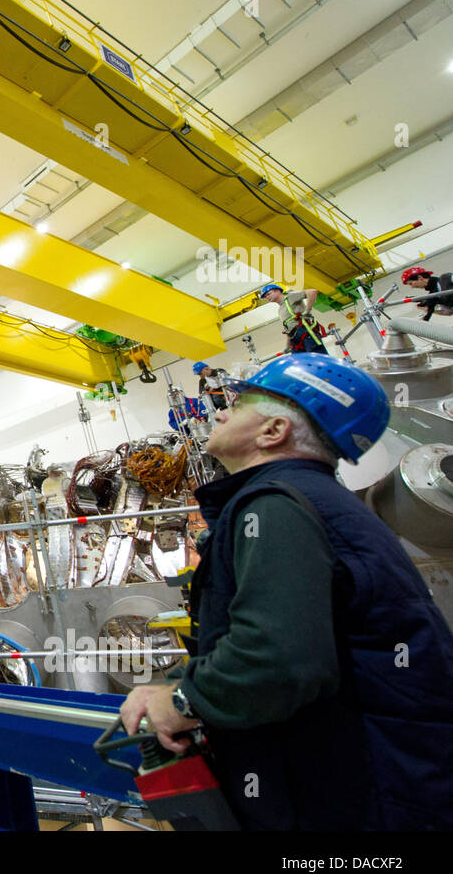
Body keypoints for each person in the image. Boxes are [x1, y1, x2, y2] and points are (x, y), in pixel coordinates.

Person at [120, 353, 453, 830]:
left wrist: (179, 703)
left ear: (273, 431)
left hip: (355, 802)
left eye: (236, 405)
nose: (218, 412)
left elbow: (277, 659)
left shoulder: (276, 507)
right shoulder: (315, 501)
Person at [259, 283, 329, 354]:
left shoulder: (290, 296)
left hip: (306, 333)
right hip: (295, 339)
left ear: (277, 291)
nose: (267, 297)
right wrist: (287, 346)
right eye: (265, 296)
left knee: (316, 356)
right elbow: (288, 329)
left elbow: (312, 292)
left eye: (268, 294)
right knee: (300, 362)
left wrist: (308, 311)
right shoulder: (280, 310)